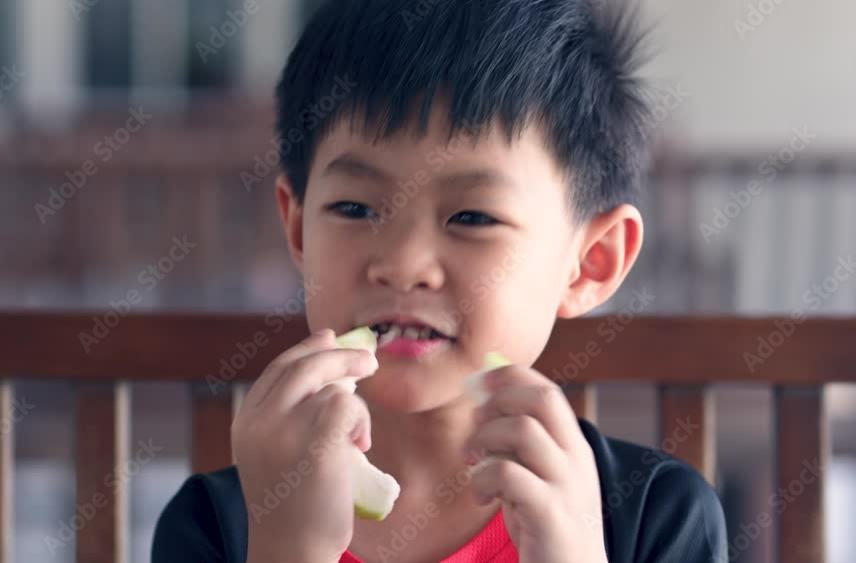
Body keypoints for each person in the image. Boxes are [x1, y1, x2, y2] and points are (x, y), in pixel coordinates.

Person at [152, 0, 728, 561]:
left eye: (472, 217)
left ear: (591, 260)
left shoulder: (656, 514)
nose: (403, 264)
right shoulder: (217, 523)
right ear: (299, 232)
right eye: (355, 208)